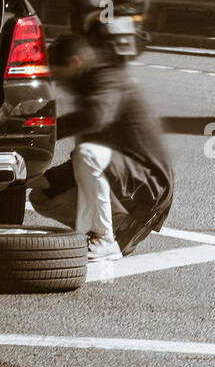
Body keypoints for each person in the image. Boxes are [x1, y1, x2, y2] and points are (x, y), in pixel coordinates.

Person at [30, 33, 173, 262]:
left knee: (86, 154)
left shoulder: (107, 78)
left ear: (75, 62)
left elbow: (96, 118)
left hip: (149, 186)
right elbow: (83, 168)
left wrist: (46, 132)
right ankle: (119, 228)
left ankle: (103, 238)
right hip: (125, 179)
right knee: (41, 197)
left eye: (59, 75)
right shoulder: (88, 90)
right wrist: (25, 178)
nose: (58, 83)